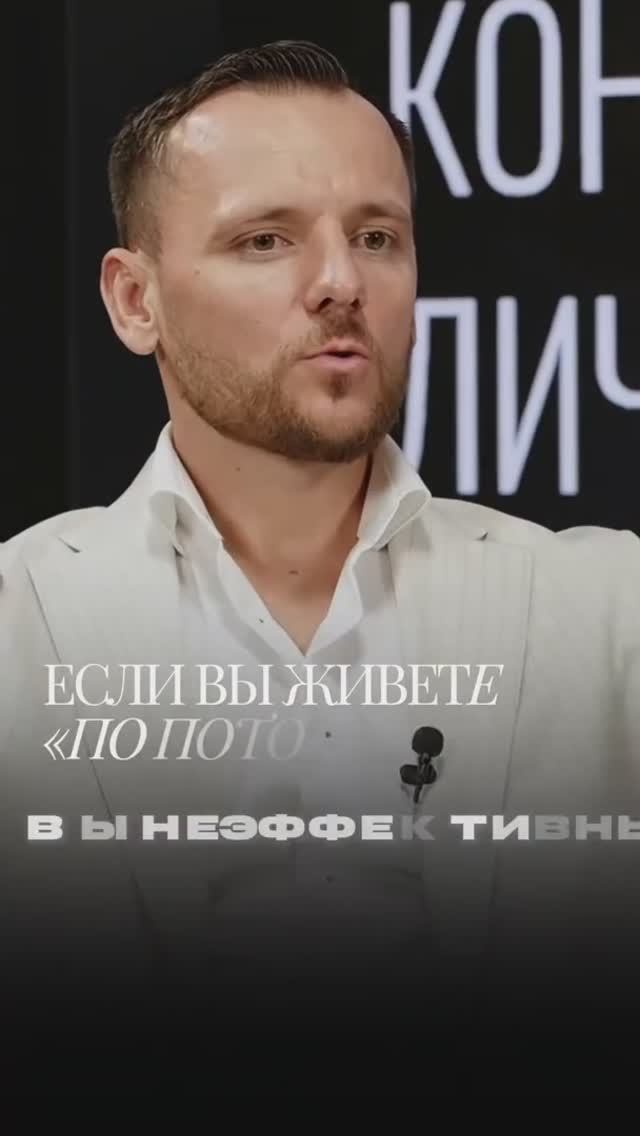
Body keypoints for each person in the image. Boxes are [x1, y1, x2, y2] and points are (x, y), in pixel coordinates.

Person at [2, 40, 640, 1088]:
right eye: (265, 240)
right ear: (135, 300)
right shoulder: (20, 620)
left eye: (377, 237)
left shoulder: (603, 608)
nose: (341, 282)